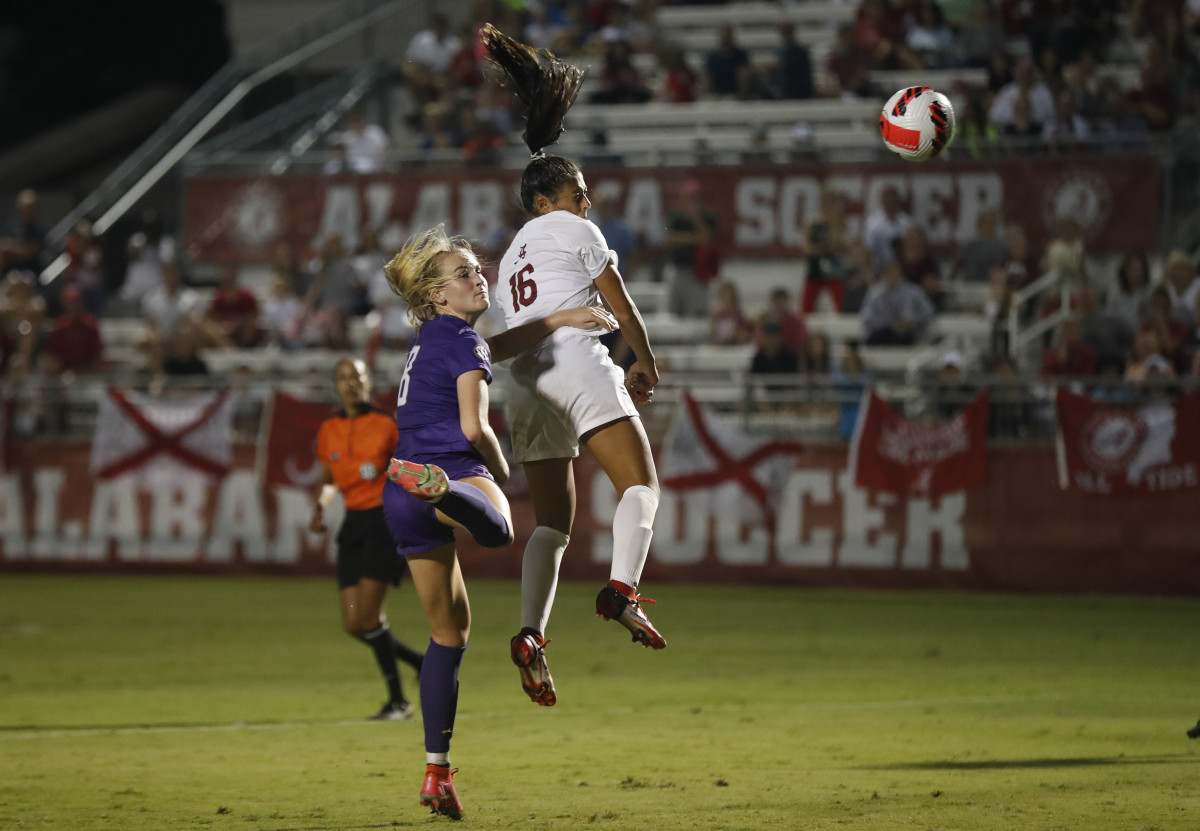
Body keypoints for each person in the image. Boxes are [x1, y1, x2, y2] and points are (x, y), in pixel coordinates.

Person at [378, 224, 617, 818]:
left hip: (399, 488)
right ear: (438, 295)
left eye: (476, 269)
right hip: (450, 471)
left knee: (448, 636)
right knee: (502, 526)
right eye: (464, 274)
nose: (477, 277)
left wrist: (558, 320)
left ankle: (437, 773)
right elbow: (473, 427)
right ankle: (451, 495)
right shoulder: (464, 341)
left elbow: (494, 348)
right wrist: (501, 469)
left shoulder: (434, 339)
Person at [482, 24, 668, 713]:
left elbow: (506, 337)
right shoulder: (576, 230)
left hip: (525, 383)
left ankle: (531, 632)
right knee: (640, 487)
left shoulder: (510, 263)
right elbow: (620, 300)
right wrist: (644, 361)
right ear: (545, 199)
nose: (586, 201)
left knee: (554, 523)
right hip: (575, 362)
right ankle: (622, 588)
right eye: (577, 191)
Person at [310, 358, 425, 723]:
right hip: (353, 525)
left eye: (356, 377)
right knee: (354, 623)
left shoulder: (386, 426)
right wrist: (320, 505)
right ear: (336, 385)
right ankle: (418, 663)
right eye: (342, 378)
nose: (350, 384)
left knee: (371, 616)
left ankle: (398, 702)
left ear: (368, 382)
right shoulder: (328, 428)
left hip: (384, 522)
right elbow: (329, 479)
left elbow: (407, 469)